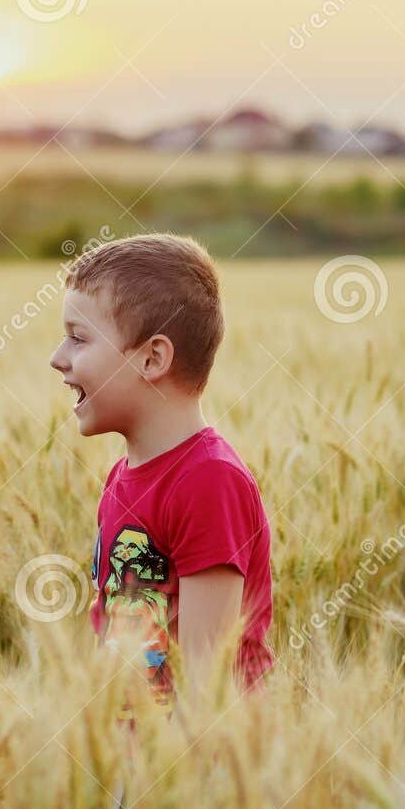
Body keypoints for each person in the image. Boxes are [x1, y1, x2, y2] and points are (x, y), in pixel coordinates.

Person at [48, 233, 273, 717]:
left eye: (78, 337)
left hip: (206, 773)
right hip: (135, 764)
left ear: (152, 358)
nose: (58, 358)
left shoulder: (208, 481)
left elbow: (206, 685)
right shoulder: (120, 479)